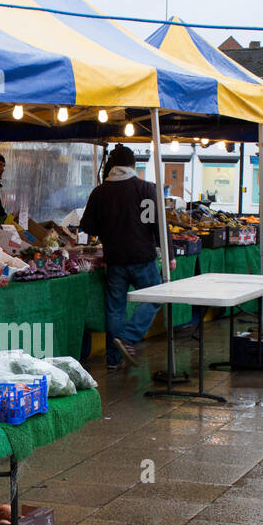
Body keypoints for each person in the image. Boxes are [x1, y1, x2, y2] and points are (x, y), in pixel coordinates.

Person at [80, 144, 168, 370]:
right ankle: (128, 337)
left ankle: (113, 359)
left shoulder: (99, 192)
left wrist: (109, 226)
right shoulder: (145, 189)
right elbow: (155, 223)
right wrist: (169, 253)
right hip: (142, 258)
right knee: (155, 296)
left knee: (115, 308)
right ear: (132, 166)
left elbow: (88, 226)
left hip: (115, 260)